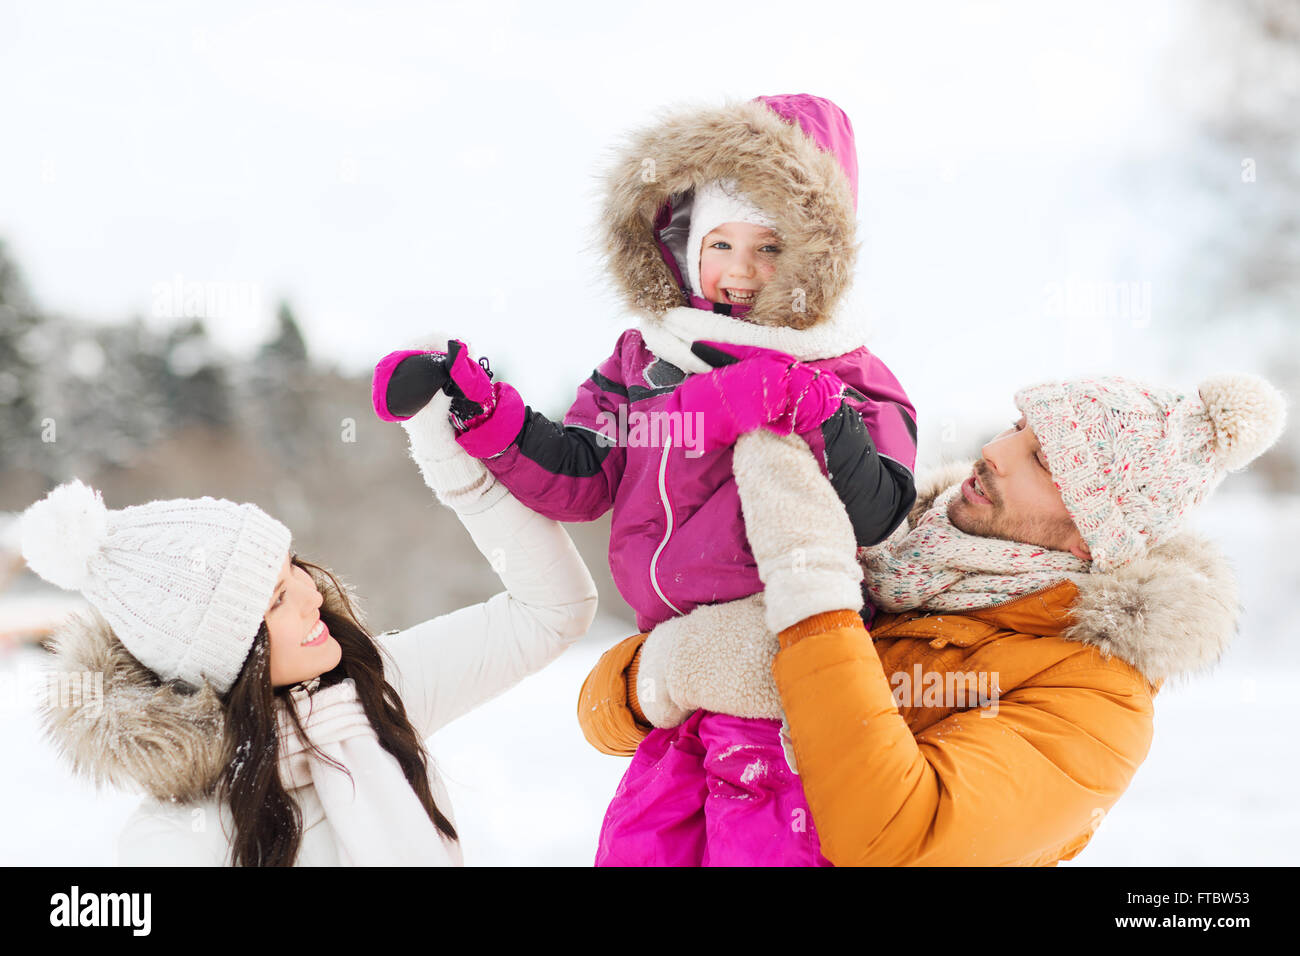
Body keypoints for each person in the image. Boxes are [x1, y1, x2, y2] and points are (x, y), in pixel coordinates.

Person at [370, 94, 919, 865]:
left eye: (770, 249)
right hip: (676, 676)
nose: (739, 271)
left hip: (786, 685)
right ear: (683, 243)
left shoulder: (847, 368)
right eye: (720, 243)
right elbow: (586, 471)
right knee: (641, 844)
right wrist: (487, 411)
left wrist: (812, 408)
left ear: (814, 256)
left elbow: (882, 512)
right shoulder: (648, 356)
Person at [579, 371, 1285, 865]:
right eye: (1018, 426)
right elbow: (602, 721)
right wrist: (664, 671)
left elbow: (892, 836)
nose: (995, 450)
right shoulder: (885, 549)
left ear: (1089, 537)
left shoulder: (1096, 705)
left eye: (1042, 458)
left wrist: (815, 615)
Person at [26, 389, 598, 866]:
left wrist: (453, 462)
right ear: (226, 656)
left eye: (293, 566)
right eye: (276, 598)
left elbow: (554, 609)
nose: (309, 595)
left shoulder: (375, 692)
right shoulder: (174, 843)